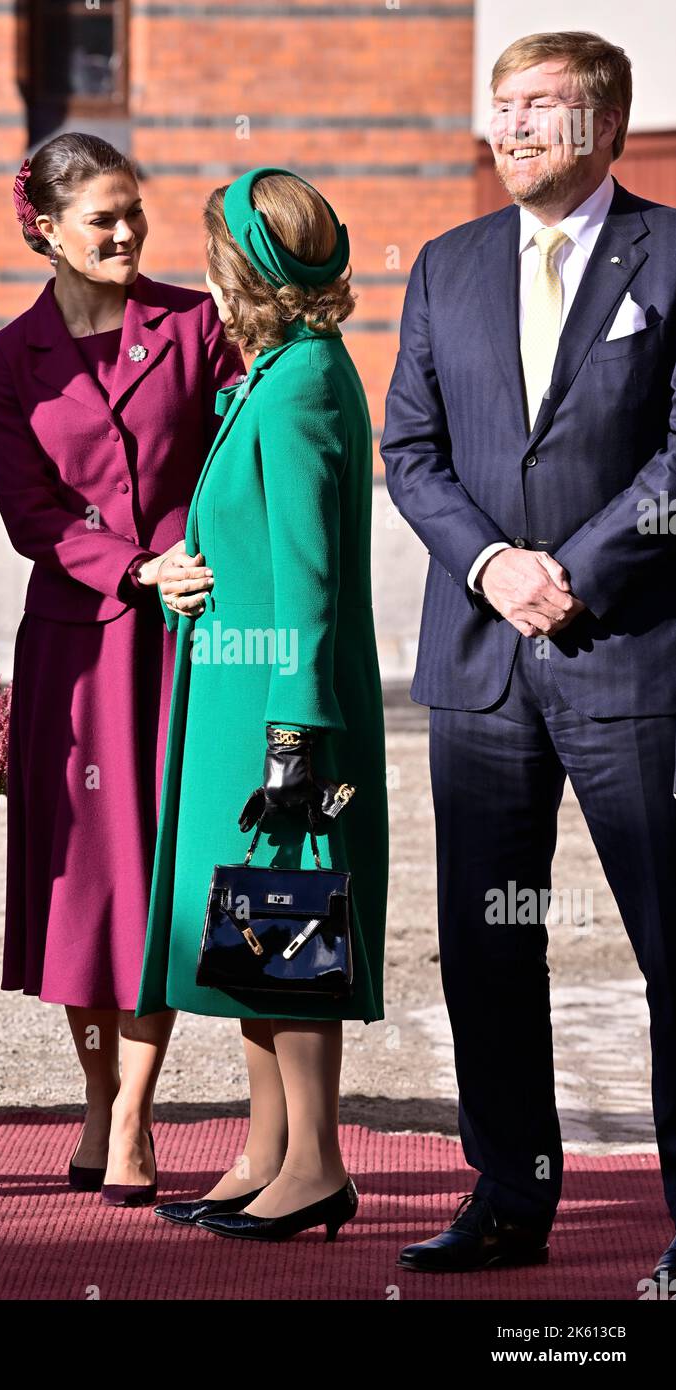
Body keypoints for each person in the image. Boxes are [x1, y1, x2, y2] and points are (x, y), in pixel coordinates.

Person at [380, 30, 676, 1279]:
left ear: (607, 127)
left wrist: (582, 568)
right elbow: (412, 450)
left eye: (543, 108)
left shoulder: (671, 254)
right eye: (502, 107)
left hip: (633, 661)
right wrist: (497, 568)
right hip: (484, 663)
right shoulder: (445, 267)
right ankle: (510, 1196)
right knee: (492, 944)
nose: (512, 128)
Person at [0, 133, 244, 1204]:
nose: (128, 232)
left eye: (135, 211)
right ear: (43, 229)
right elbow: (29, 514)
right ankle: (99, 1100)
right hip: (78, 643)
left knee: (156, 879)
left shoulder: (194, 324)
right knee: (88, 888)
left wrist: (209, 560)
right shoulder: (9, 358)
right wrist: (130, 568)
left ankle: (134, 1113)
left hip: (187, 635)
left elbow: (244, 453)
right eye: (103, 218)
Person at [135, 167, 389, 1242]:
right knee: (254, 921)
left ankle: (319, 1163)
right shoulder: (280, 370)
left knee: (286, 922)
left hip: (282, 703)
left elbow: (310, 571)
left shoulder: (299, 384)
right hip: (242, 686)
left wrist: (294, 734)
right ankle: (267, 1147)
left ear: (241, 265)